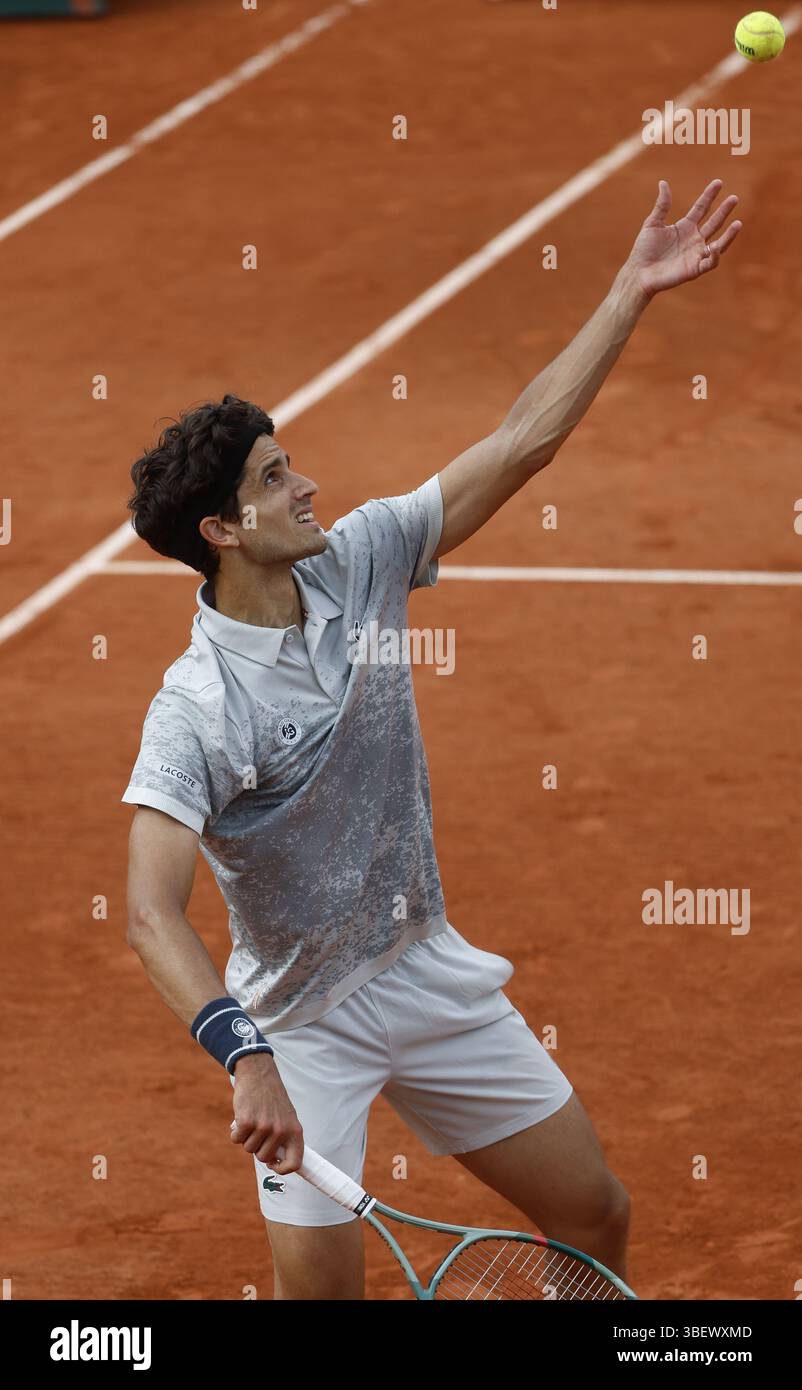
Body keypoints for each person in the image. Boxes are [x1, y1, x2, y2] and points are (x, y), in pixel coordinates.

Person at [123, 179, 741, 1300]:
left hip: (422, 965)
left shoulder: (356, 558)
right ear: (223, 532)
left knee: (592, 1212)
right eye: (274, 479)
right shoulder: (197, 709)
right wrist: (243, 1052)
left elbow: (522, 442)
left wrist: (628, 291)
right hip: (299, 1027)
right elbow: (147, 907)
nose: (307, 484)